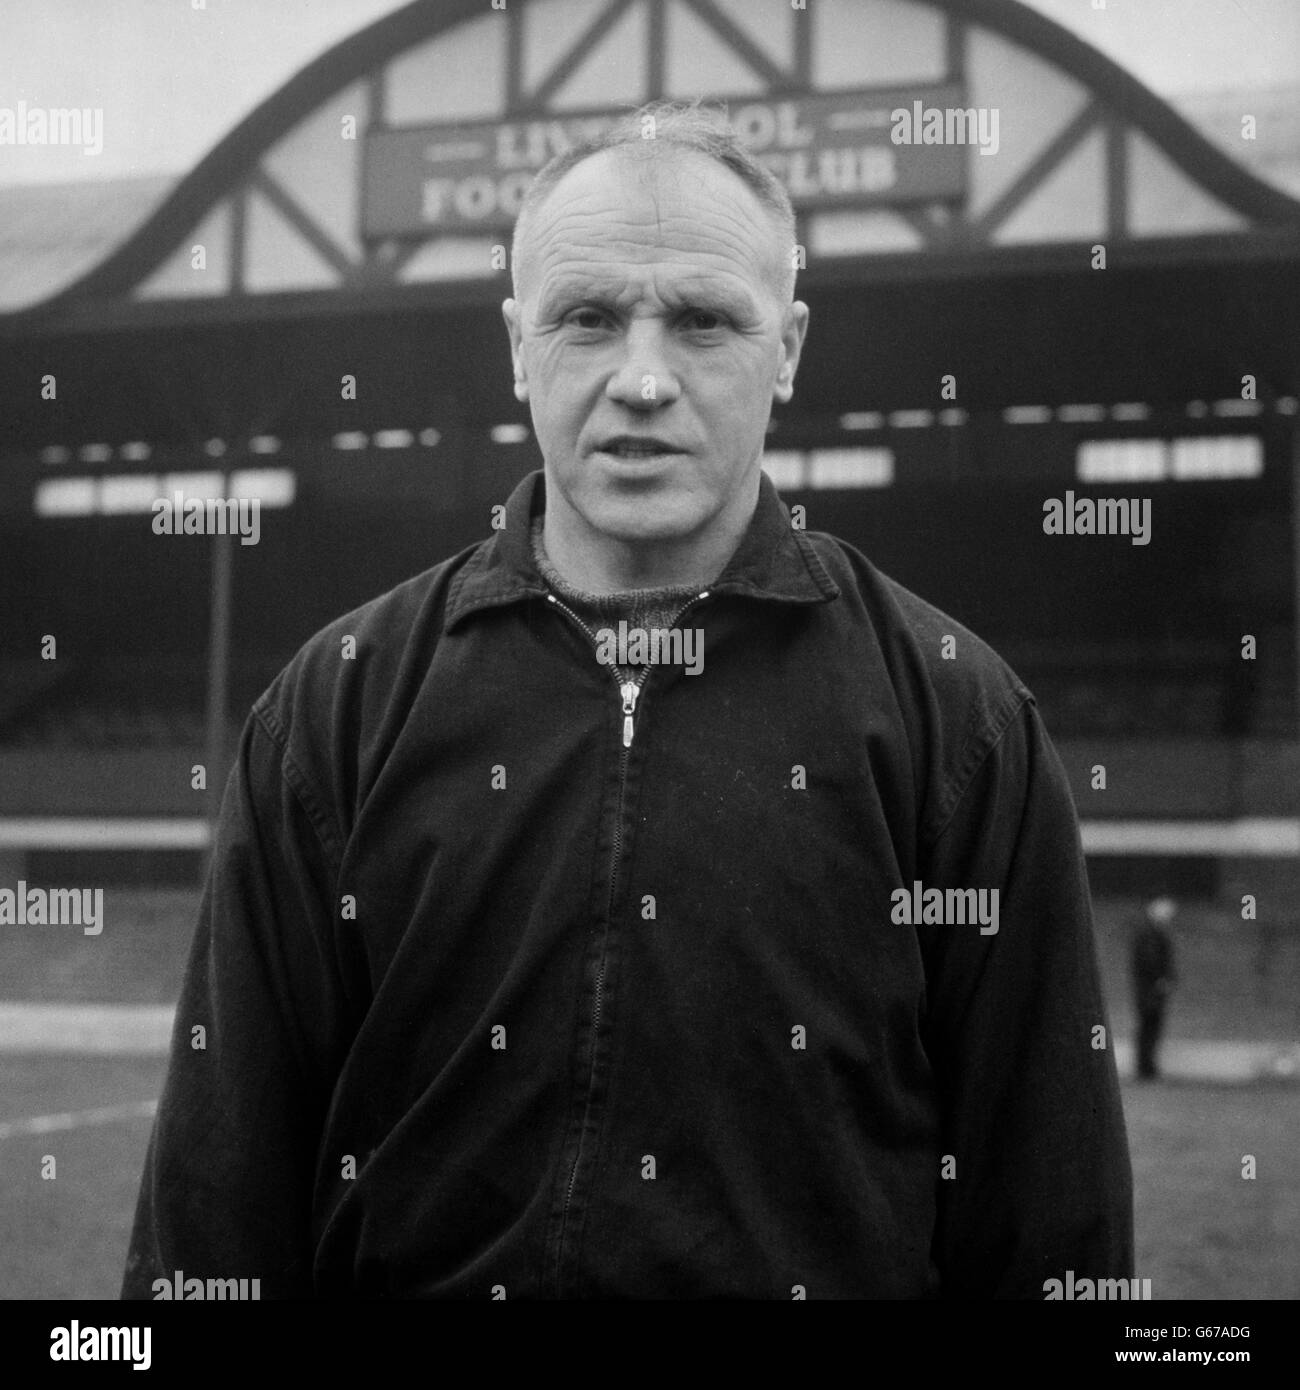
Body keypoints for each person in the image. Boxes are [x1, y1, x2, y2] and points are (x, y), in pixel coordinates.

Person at [122, 101, 1132, 1300]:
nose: (642, 379)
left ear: (790, 346)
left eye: (703, 321)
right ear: (515, 344)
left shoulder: (958, 723)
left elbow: (1045, 1209)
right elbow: (216, 1198)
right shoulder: (335, 709)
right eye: (588, 317)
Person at [1132, 896, 1178, 1080]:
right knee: (1149, 1027)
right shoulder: (1150, 935)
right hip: (1150, 990)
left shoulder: (1149, 933)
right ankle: (1146, 1067)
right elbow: (1150, 961)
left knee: (1149, 1028)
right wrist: (1161, 979)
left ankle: (1147, 1066)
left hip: (1148, 989)